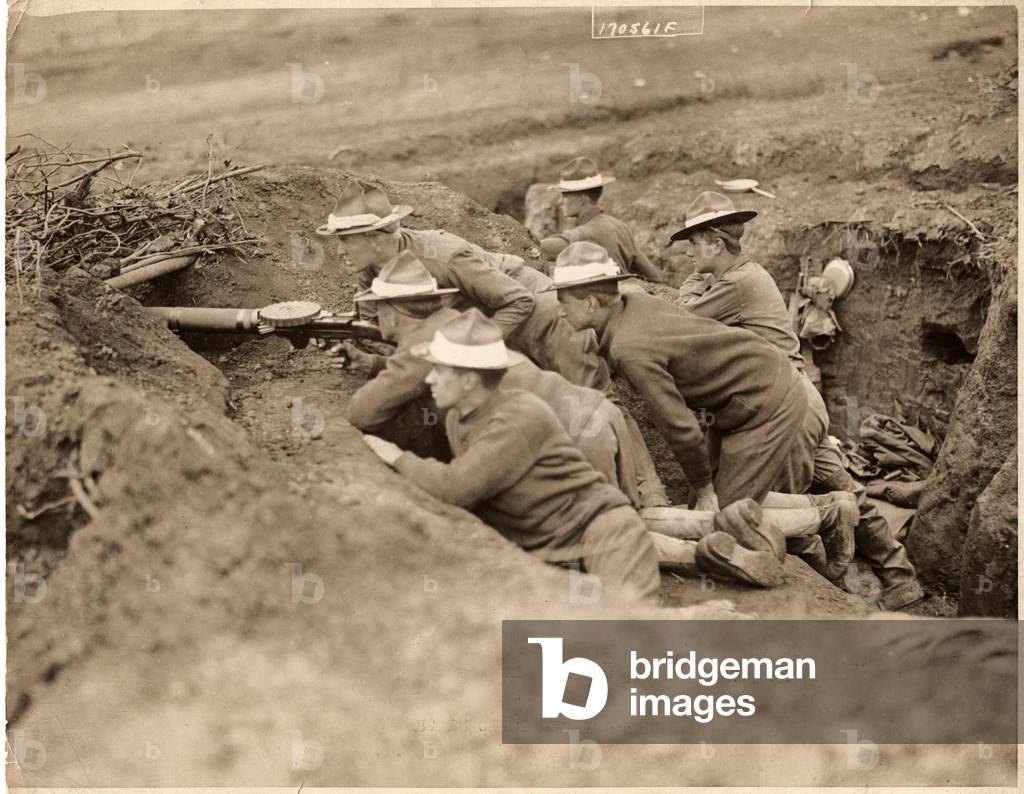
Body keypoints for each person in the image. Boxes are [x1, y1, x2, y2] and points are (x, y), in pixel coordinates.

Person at [345, 250, 858, 576]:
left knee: (657, 515)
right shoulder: (457, 326)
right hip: (603, 413)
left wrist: (701, 480)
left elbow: (363, 412)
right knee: (647, 514)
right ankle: (811, 518)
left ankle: (808, 531)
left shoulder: (429, 345)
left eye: (567, 302)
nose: (562, 314)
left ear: (393, 311)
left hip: (733, 407)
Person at [362, 309, 794, 598]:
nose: (429, 378)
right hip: (591, 441)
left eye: (440, 369)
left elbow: (456, 487)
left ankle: (717, 549)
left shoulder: (513, 417)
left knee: (627, 616)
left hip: (593, 479)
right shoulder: (465, 409)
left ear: (471, 378)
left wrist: (392, 456)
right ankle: (717, 534)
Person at [670, 191, 924, 609]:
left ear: (715, 243)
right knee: (844, 489)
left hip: (781, 407)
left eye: (693, 244)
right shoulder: (746, 275)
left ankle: (829, 594)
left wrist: (695, 281)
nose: (688, 253)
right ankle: (900, 577)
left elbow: (681, 321)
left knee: (784, 510)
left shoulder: (735, 282)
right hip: (802, 398)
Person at [549, 242, 856, 582]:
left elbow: (680, 427)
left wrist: (706, 487)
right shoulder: (632, 302)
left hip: (766, 401)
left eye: (563, 301)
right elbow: (618, 337)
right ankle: (829, 509)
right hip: (744, 393)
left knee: (724, 520)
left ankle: (829, 514)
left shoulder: (630, 349)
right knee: (706, 506)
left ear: (591, 302)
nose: (559, 311)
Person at [316, 177, 607, 390]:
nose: (339, 251)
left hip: (543, 313)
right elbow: (382, 330)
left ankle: (643, 476)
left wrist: (473, 345)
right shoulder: (369, 269)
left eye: (345, 241)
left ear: (377, 239)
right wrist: (343, 339)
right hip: (494, 320)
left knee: (592, 403)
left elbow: (519, 300)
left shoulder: (444, 257)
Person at [539, 157, 665, 283]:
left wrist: (522, 239)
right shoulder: (620, 226)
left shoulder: (585, 232)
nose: (560, 201)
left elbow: (545, 247)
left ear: (581, 199)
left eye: (564, 195)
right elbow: (654, 276)